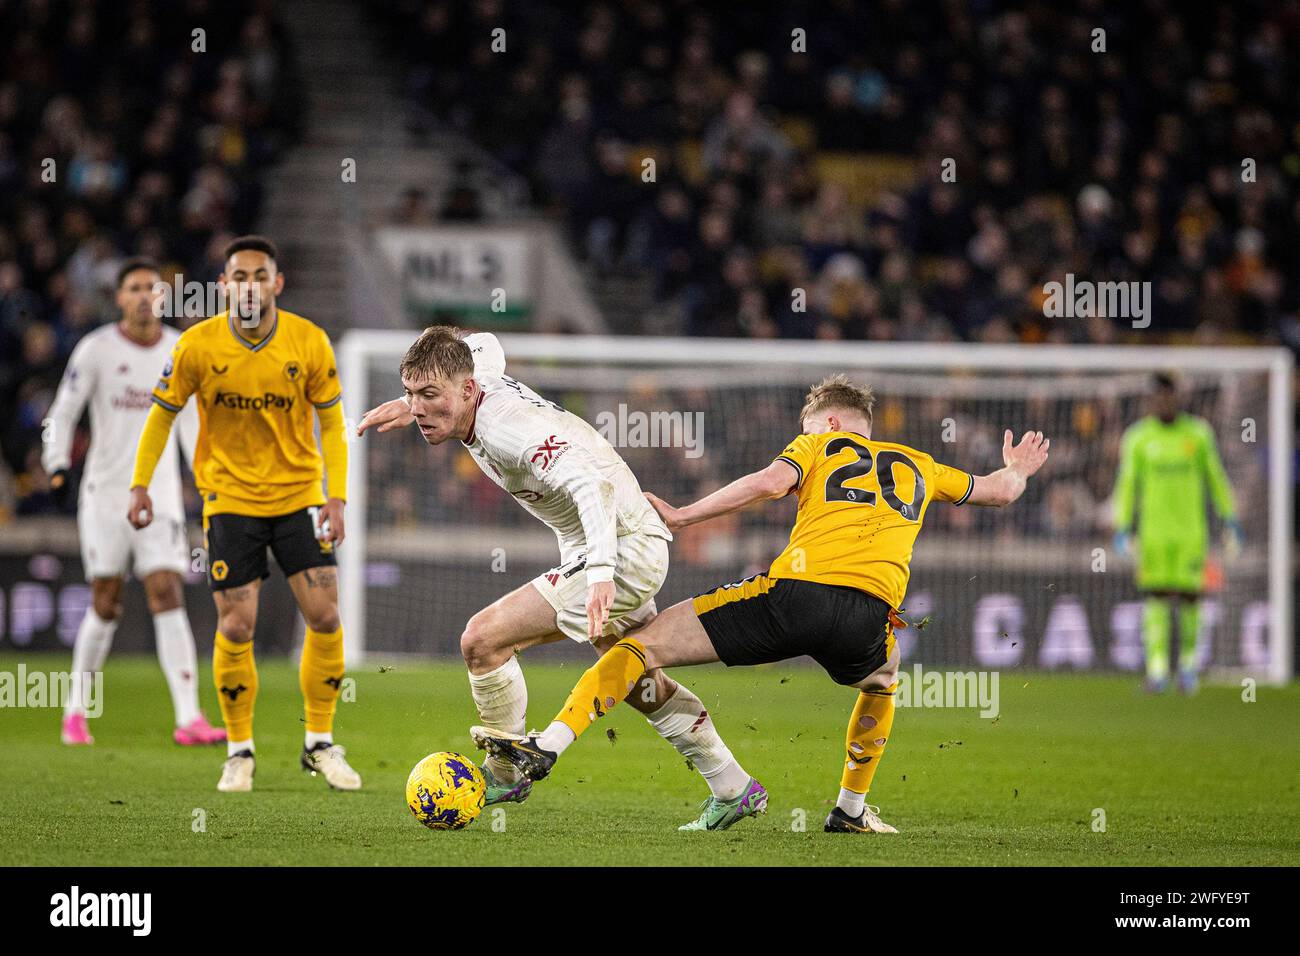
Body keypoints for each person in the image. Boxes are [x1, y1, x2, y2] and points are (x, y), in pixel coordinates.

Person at [478, 375, 1050, 834]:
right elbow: (998, 491)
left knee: (638, 645)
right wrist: (1019, 468)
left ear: (827, 422)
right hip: (868, 618)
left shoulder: (819, 443)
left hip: (793, 598)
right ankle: (850, 808)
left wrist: (682, 515)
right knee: (883, 680)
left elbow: (769, 483)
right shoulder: (920, 463)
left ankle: (548, 745)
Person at [357, 327, 764, 831]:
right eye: (413, 394)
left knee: (482, 640)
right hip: (614, 543)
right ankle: (732, 784)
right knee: (635, 679)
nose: (418, 409)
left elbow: (589, 483)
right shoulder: (476, 369)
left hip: (619, 548)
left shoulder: (508, 428)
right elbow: (484, 340)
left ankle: (504, 771)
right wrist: (410, 399)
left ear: (467, 390)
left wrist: (600, 573)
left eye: (429, 395)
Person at [128, 236, 358, 792]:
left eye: (261, 276)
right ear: (224, 285)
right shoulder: (197, 347)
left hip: (300, 496)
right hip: (228, 501)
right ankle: (239, 750)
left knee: (325, 616)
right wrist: (140, 485)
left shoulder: (310, 342)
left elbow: (331, 423)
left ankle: (320, 742)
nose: (250, 285)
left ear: (276, 284)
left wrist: (337, 494)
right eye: (239, 276)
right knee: (236, 625)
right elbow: (161, 417)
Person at [44, 257, 225, 747]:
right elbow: (62, 412)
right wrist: (56, 462)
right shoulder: (95, 349)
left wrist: (205, 482)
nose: (145, 295)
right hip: (104, 496)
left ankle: (189, 717)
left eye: (152, 287)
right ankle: (75, 711)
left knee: (166, 590)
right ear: (119, 297)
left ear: (162, 297)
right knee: (106, 601)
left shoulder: (178, 349)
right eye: (134, 288)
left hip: (160, 498)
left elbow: (191, 424)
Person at [1113, 372, 1240, 694]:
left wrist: (1230, 518)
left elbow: (1216, 479)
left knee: (1190, 597)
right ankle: (1156, 671)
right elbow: (1128, 487)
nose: (1163, 402)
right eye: (1157, 397)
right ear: (1150, 400)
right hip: (1153, 534)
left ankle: (1187, 668)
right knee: (1155, 595)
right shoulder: (1138, 437)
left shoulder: (1198, 434)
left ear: (1177, 398)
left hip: (1190, 534)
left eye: (1168, 396)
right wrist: (1123, 527)